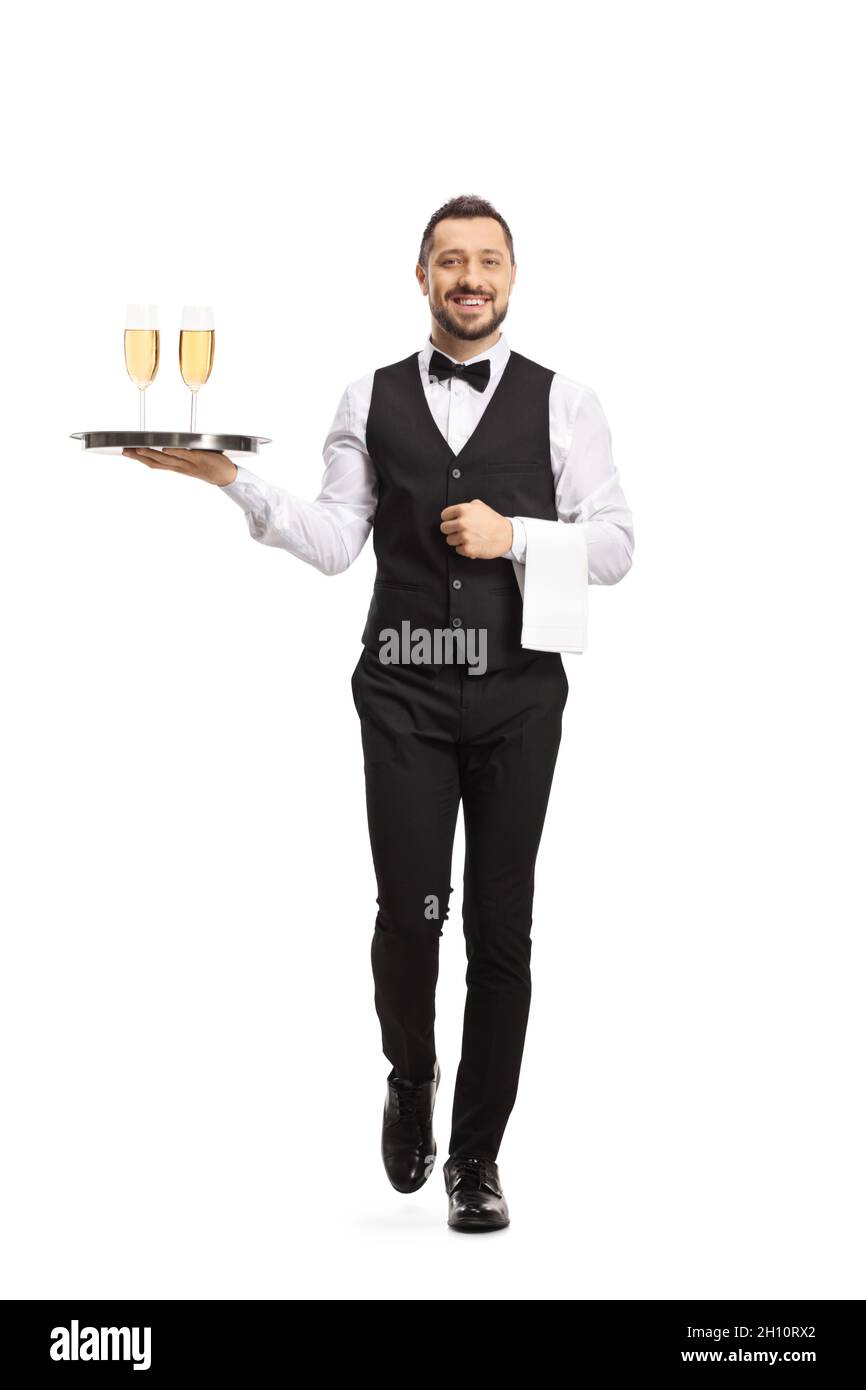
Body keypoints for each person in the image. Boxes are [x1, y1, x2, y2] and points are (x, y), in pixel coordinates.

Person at [123, 193, 634, 1233]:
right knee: (410, 913)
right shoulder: (368, 395)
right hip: (400, 688)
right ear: (421, 277)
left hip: (518, 699)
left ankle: (476, 1161)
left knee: (500, 930)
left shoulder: (565, 402)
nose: (469, 277)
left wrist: (520, 535)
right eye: (450, 260)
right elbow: (330, 539)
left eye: (487, 260)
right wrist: (229, 479)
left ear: (511, 276)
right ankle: (411, 1072)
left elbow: (618, 544)